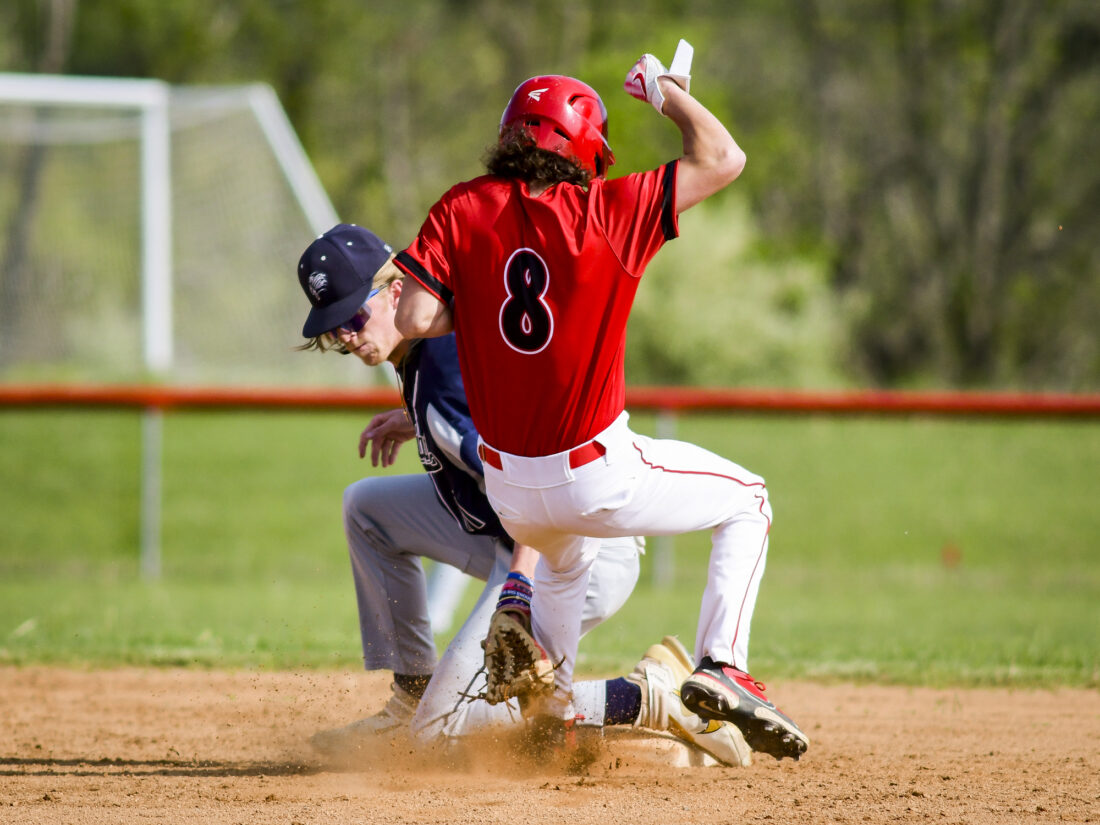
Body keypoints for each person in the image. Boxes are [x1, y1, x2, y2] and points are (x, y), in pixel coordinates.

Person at [392, 43, 809, 761]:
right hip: (596, 474)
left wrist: (485, 302)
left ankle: (563, 719)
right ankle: (720, 665)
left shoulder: (464, 207)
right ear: (586, 150)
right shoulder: (608, 209)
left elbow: (413, 319)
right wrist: (664, 90)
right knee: (748, 500)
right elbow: (724, 158)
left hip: (513, 495)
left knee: (550, 656)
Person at [294, 222, 752, 766]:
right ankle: (410, 698)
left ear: (396, 291)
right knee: (367, 508)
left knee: (439, 736)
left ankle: (653, 695)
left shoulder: (440, 384)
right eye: (332, 327)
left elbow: (523, 470)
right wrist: (414, 420)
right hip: (515, 529)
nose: (346, 335)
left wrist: (520, 587)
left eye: (352, 316)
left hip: (569, 546)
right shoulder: (426, 352)